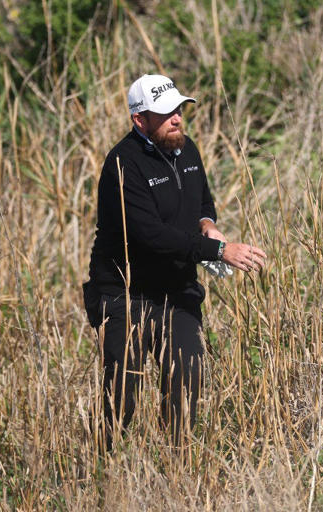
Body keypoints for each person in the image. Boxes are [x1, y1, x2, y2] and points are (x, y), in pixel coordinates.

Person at [82, 73, 267, 449]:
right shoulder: (123, 165)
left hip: (177, 291)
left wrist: (207, 225)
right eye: (165, 112)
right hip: (125, 294)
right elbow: (151, 235)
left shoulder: (188, 150)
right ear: (140, 120)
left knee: (187, 378)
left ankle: (177, 465)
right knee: (121, 396)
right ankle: (101, 467)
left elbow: (203, 201)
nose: (177, 118)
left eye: (179, 109)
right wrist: (219, 251)